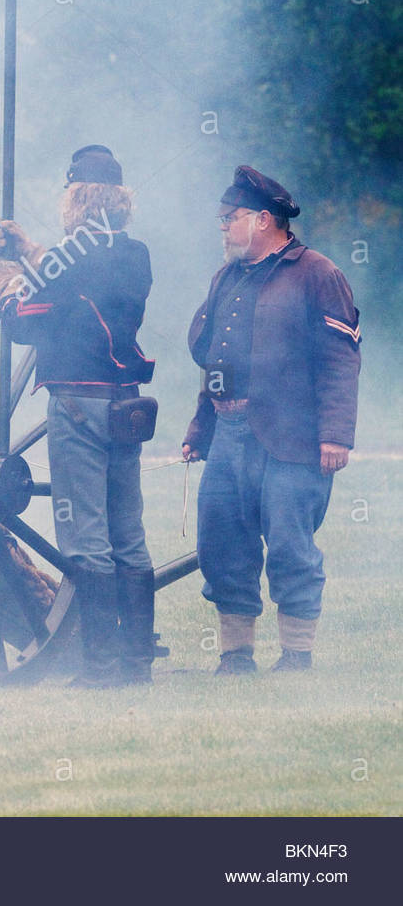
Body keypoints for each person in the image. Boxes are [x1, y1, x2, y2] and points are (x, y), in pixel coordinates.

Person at [0, 145, 158, 686]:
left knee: (86, 539)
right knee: (128, 536)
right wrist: (33, 251)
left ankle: (101, 666)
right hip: (125, 405)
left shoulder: (70, 256)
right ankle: (135, 664)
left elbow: (20, 318)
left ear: (77, 198)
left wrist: (3, 272)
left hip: (77, 408)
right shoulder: (136, 254)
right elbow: (81, 281)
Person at [182, 166, 360, 674]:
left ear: (263, 220)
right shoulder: (225, 276)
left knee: (289, 546)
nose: (220, 225)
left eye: (228, 217)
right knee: (222, 544)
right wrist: (203, 427)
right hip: (230, 437)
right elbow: (215, 360)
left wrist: (335, 434)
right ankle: (235, 656)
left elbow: (340, 360)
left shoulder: (318, 273)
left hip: (293, 440)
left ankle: (297, 656)